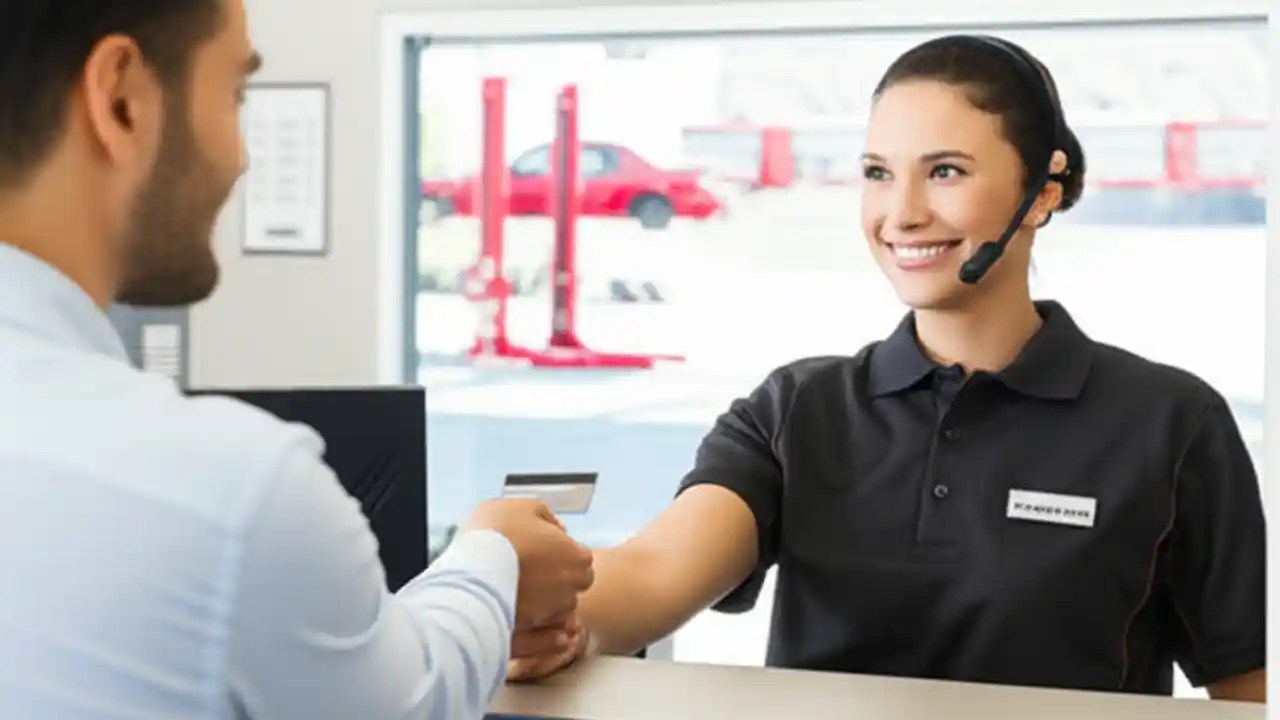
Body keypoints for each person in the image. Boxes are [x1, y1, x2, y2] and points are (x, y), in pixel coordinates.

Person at [507, 35, 1267, 702]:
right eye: (878, 172)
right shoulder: (795, 410)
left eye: (944, 171)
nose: (900, 212)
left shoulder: (1173, 423)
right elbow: (654, 571)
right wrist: (531, 610)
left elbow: (1248, 687)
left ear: (1043, 191)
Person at [0, 1, 592, 718]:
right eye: (233, 95)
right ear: (122, 99)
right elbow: (417, 697)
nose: (241, 157)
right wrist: (493, 551)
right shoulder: (228, 495)